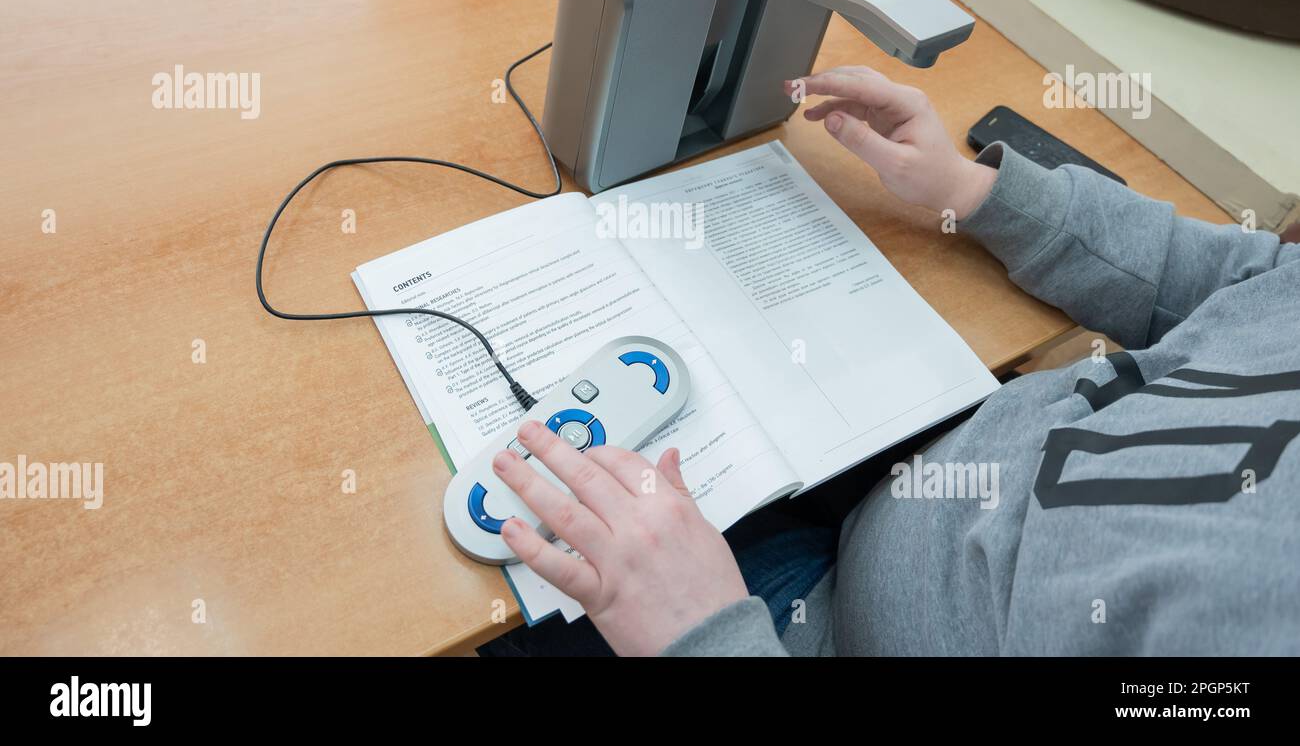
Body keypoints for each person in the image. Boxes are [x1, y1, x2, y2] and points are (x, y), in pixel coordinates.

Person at [479, 65, 1300, 657]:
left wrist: (705, 635)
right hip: (919, 464)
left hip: (793, 625)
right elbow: (1254, 285)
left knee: (485, 605)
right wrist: (975, 191)